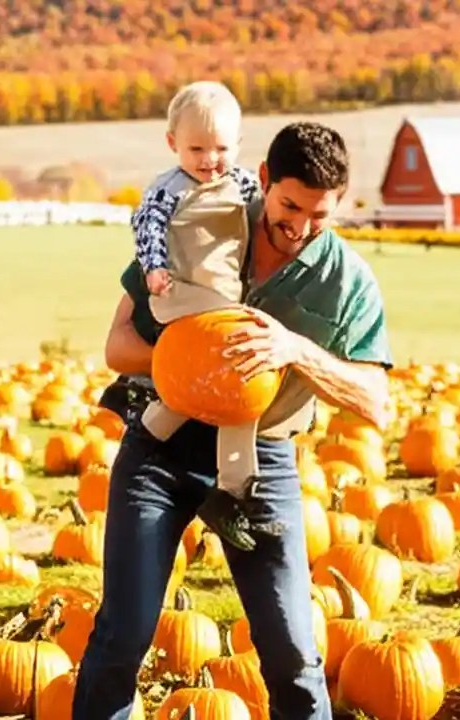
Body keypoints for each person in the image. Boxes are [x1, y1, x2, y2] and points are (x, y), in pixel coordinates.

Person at [74, 121, 394, 720]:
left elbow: (376, 401)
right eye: (289, 206)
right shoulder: (197, 228)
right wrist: (201, 360)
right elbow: (117, 346)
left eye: (320, 215)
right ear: (264, 180)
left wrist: (296, 350)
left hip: (260, 460)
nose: (300, 228)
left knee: (293, 653)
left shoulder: (346, 281)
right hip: (164, 444)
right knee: (122, 635)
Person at [100, 79, 270, 553]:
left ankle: (166, 436)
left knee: (230, 379)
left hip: (222, 300)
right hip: (181, 295)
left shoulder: (241, 184)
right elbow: (147, 227)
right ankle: (229, 486)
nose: (209, 159)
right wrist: (153, 268)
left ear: (237, 145)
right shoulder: (168, 189)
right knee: (237, 370)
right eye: (196, 148)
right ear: (173, 143)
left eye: (221, 148)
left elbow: (264, 217)